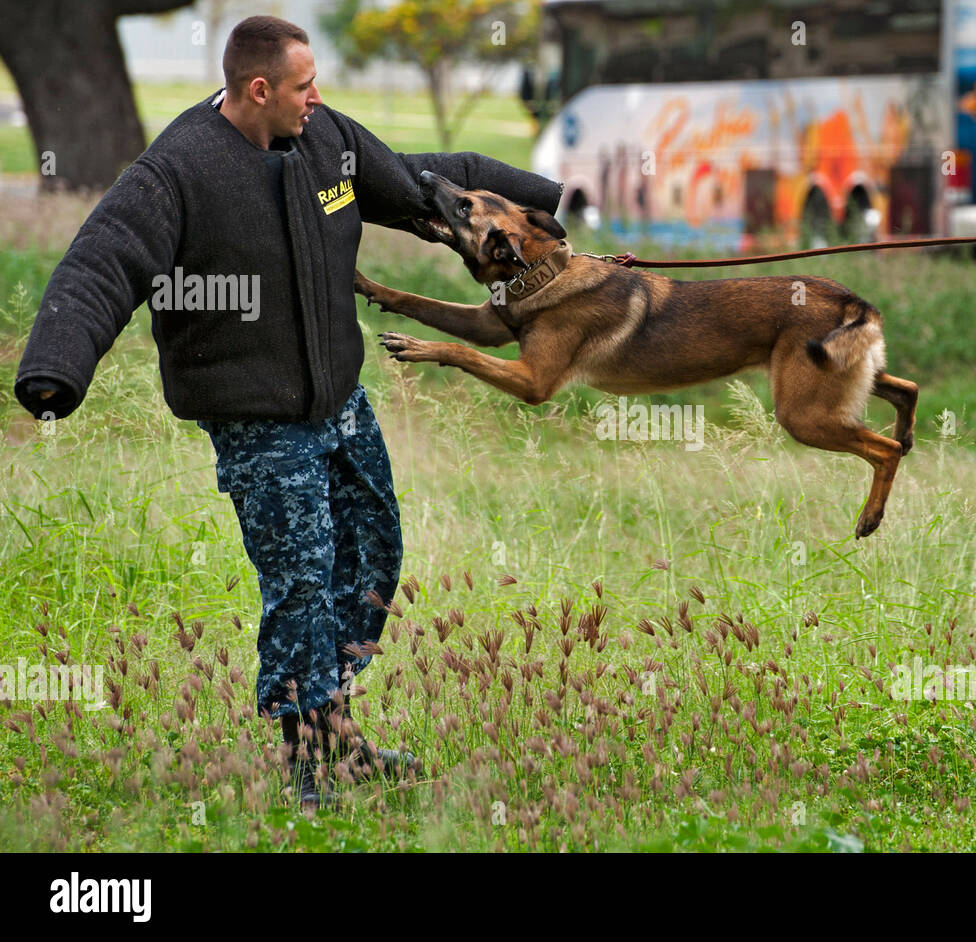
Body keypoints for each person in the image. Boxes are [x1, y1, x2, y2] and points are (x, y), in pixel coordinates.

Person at [11, 15, 563, 813]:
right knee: (300, 582)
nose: (318, 98)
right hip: (255, 415)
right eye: (304, 86)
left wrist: (544, 208)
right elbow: (105, 259)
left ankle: (336, 730)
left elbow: (417, 183)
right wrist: (56, 368)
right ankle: (310, 769)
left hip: (338, 395)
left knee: (373, 554)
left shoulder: (325, 141)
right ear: (258, 88)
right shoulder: (177, 172)